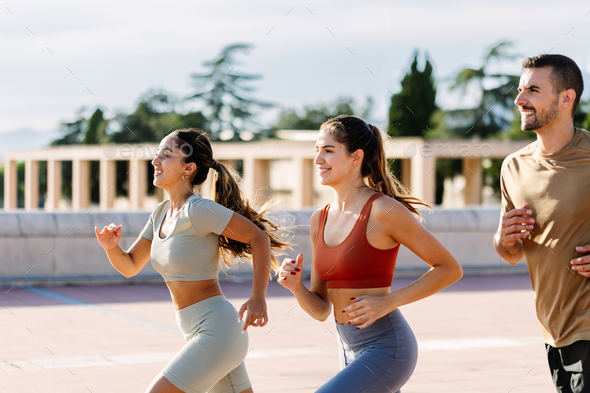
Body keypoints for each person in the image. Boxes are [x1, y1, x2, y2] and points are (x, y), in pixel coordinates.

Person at [95, 128, 289, 393]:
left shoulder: (199, 210)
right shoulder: (161, 212)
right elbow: (129, 266)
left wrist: (258, 298)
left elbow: (259, 238)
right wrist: (111, 248)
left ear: (188, 169)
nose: (155, 162)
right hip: (198, 330)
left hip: (217, 330)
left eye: (165, 155)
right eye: (156, 155)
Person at [277, 115, 463, 393]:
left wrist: (388, 302)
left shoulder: (383, 210)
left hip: (387, 347)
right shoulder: (320, 219)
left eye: (328, 150)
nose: (318, 159)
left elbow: (449, 268)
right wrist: (294, 287)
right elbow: (321, 309)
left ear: (356, 157)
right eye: (317, 150)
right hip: (346, 347)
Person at [494, 54, 590, 393]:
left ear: (566, 99)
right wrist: (504, 240)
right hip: (552, 330)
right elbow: (511, 253)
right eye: (520, 90)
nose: (520, 100)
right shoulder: (513, 168)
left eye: (533, 90)